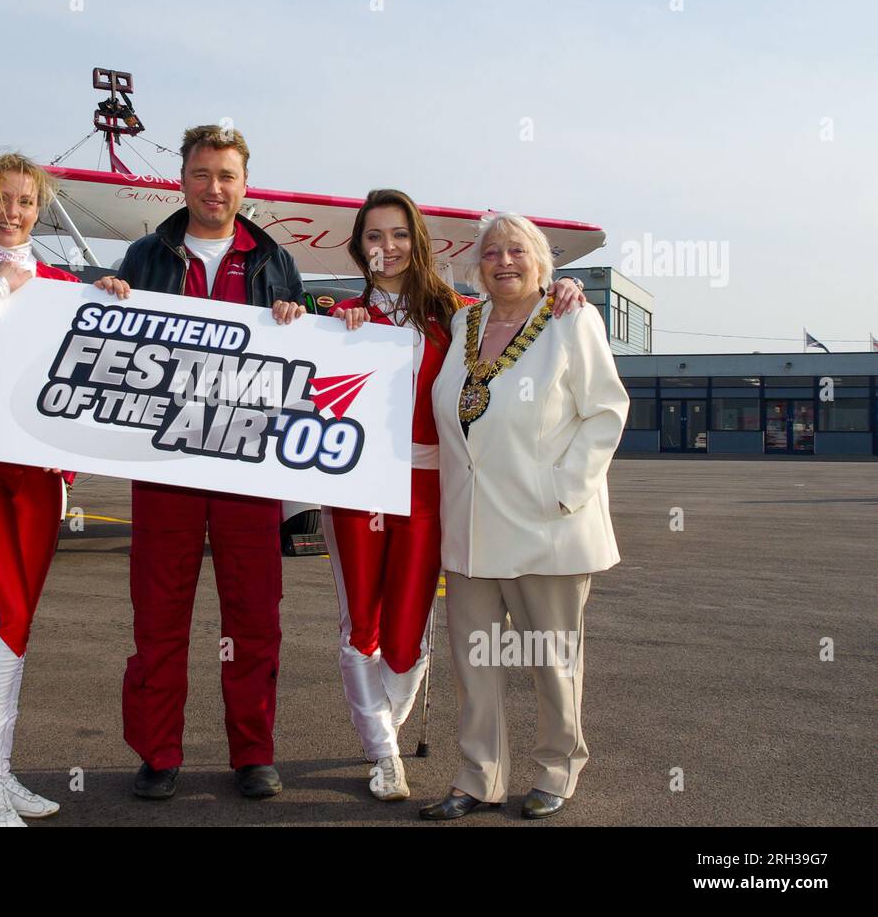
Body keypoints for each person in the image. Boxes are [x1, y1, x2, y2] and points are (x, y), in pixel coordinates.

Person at [327, 192, 583, 801]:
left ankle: (380, 728)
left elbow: (521, 306)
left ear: (419, 242)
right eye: (371, 237)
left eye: (397, 235)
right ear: (358, 246)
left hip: (431, 488)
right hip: (356, 487)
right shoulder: (335, 314)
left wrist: (564, 288)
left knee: (410, 625)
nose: (384, 248)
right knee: (359, 618)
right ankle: (384, 751)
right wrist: (304, 317)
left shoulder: (457, 314)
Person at [0, 150, 129, 827]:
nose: (13, 213)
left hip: (37, 470)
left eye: (27, 202)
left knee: (17, 626)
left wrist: (113, 303)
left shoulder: (63, 280)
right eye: (2, 199)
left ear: (40, 209)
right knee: (0, 616)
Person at [116, 124, 307, 800]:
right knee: (158, 615)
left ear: (244, 184)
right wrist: (103, 298)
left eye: (226, 175)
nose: (214, 188)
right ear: (182, 180)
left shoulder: (274, 259)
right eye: (202, 174)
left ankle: (253, 753)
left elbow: (300, 356)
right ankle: (158, 752)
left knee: (254, 616)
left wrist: (294, 315)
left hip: (247, 469)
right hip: (164, 462)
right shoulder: (144, 255)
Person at [421, 212, 627, 821]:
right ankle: (477, 777)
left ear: (542, 262)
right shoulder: (465, 320)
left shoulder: (571, 319)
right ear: (477, 265)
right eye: (491, 253)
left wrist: (565, 491)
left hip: (548, 528)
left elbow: (606, 412)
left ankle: (557, 771)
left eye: (517, 251)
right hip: (472, 528)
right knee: (474, 665)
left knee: (552, 662)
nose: (503, 261)